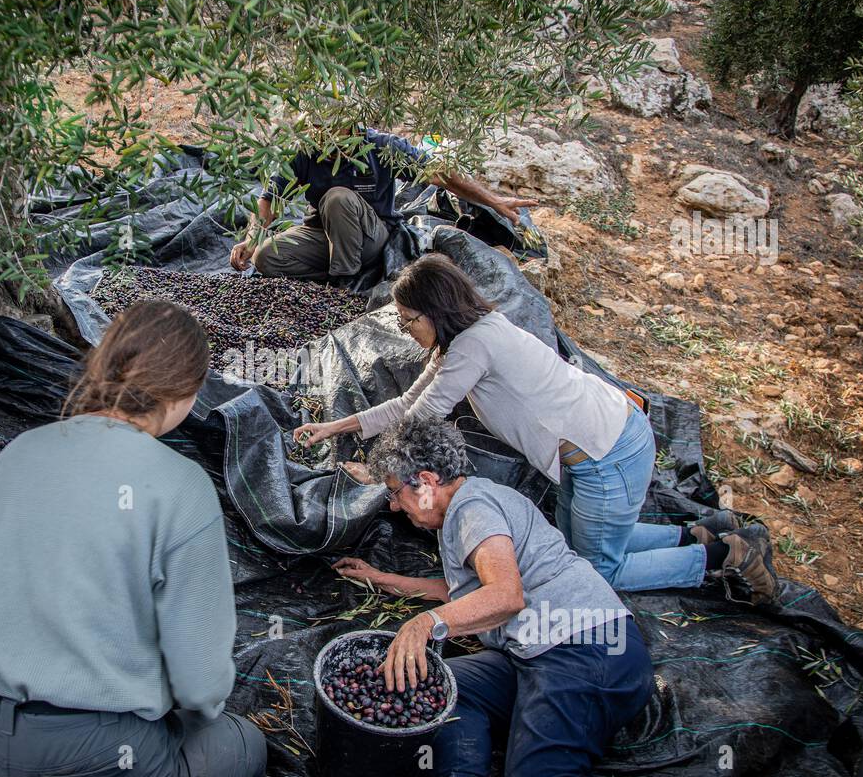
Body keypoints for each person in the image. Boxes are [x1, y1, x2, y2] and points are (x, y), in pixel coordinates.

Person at [298, 254, 779, 603]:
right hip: (599, 446)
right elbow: (407, 403)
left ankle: (725, 557)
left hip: (607, 453)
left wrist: (378, 471)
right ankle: (701, 535)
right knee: (578, 546)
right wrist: (333, 427)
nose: (406, 331)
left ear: (435, 310)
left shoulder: (475, 345)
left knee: (598, 572)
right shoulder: (464, 342)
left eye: (409, 321)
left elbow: (421, 418)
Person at [0, 300, 267, 777]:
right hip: (93, 755)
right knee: (244, 747)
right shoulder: (180, 486)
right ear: (185, 391)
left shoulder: (16, 453)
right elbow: (201, 685)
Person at [337, 414, 654, 777]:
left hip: (586, 648)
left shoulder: (473, 508)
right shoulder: (467, 507)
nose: (394, 506)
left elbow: (505, 596)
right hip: (538, 653)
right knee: (449, 687)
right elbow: (468, 595)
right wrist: (382, 577)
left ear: (426, 482)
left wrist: (424, 624)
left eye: (394, 492)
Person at [228, 124, 536, 283]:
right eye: (318, 130)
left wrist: (494, 201)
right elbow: (270, 201)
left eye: (332, 130)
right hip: (324, 233)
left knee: (338, 198)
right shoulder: (305, 152)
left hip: (372, 238)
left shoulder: (382, 146)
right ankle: (337, 271)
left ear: (352, 126)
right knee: (268, 259)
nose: (324, 137)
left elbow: (442, 175)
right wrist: (251, 241)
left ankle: (345, 281)